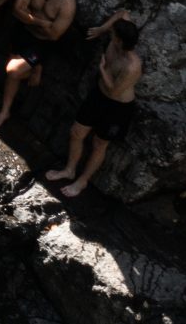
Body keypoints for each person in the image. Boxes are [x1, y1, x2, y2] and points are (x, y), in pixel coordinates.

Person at [47, 13, 142, 198]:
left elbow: (115, 91)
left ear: (120, 40)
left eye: (112, 34)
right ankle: (69, 169)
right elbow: (123, 13)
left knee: (99, 143)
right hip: (98, 96)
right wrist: (102, 28)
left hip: (117, 107)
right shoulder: (119, 37)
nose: (110, 35)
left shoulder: (132, 66)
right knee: (76, 132)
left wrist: (102, 70)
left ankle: (82, 181)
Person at [0, 0, 78, 132]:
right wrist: (39, 21)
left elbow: (54, 34)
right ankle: (5, 111)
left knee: (13, 70)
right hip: (23, 32)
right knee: (13, 74)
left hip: (42, 43)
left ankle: (37, 66)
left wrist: (28, 17)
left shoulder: (67, 4)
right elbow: (16, 10)